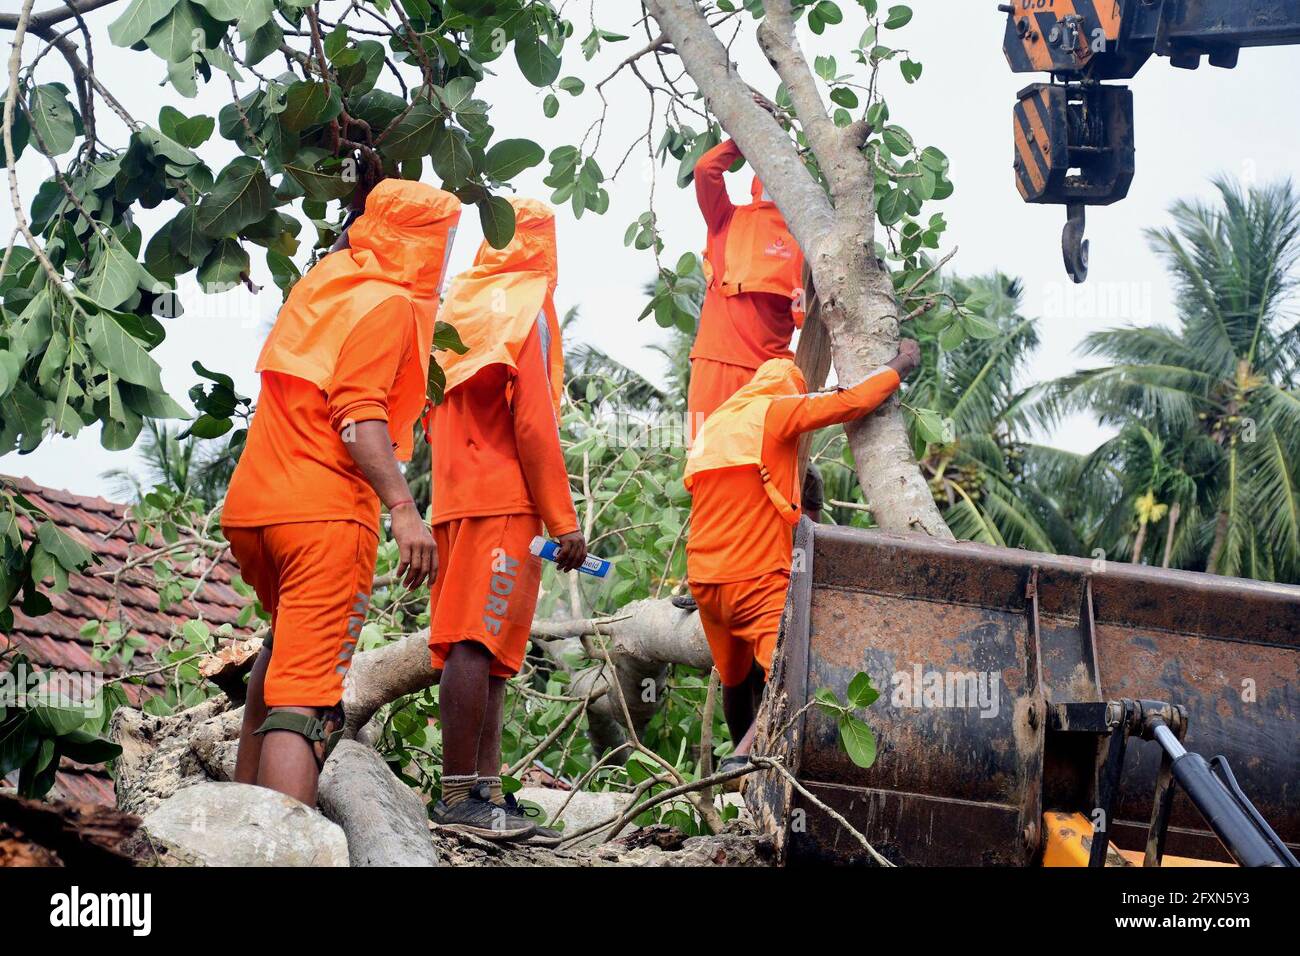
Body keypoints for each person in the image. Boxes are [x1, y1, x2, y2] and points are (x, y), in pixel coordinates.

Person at [221, 179, 460, 807]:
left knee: (279, 665)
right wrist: (405, 510)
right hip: (322, 518)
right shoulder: (388, 304)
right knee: (307, 705)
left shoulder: (328, 285)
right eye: (447, 240)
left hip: (256, 511)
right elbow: (357, 412)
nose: (450, 255)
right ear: (424, 243)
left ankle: (235, 824)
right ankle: (284, 850)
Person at [425, 197, 586, 840]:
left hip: (453, 498)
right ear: (543, 245)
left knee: (486, 646)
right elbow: (534, 420)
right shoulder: (529, 306)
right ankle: (460, 796)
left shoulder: (460, 300)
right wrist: (563, 519)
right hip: (504, 501)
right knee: (476, 639)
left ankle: (485, 793)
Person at [683, 340, 922, 771]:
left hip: (705, 579)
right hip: (754, 577)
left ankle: (739, 757)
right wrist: (901, 364)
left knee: (735, 679)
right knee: (789, 670)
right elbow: (849, 401)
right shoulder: (775, 410)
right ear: (787, 389)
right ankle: (741, 762)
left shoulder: (713, 426)